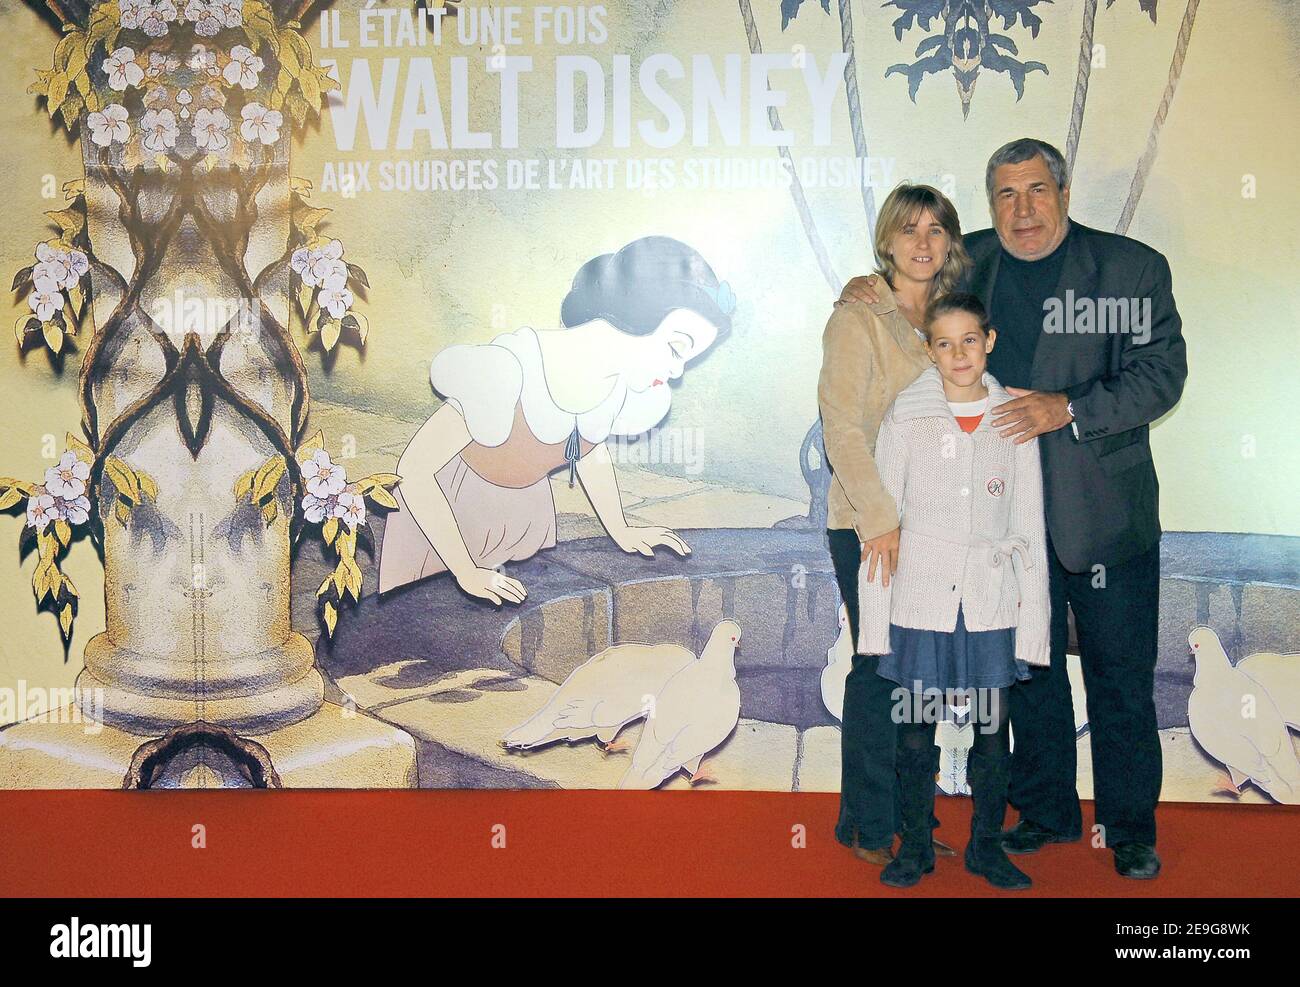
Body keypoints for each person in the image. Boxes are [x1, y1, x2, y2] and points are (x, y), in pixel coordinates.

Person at [837, 138, 1187, 879]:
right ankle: (1048, 810)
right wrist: (862, 285)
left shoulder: (1132, 269)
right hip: (996, 524)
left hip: (1104, 514)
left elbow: (1163, 374)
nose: (1021, 209)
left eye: (1035, 190)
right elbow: (912, 290)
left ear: (1063, 191)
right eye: (1005, 194)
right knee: (1031, 675)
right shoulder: (974, 263)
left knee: (1120, 677)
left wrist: (1073, 409)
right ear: (990, 202)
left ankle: (1129, 829)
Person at [379, 236, 733, 605]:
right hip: (447, 517)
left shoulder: (618, 388)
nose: (677, 372)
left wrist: (621, 529)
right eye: (676, 349)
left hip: (524, 517)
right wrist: (464, 570)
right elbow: (414, 472)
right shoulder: (508, 367)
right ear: (633, 315)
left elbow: (589, 451)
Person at [858, 293, 1050, 889]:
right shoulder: (906, 418)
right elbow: (882, 519)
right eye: (944, 342)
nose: (958, 352)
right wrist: (875, 617)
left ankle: (986, 846)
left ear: (989, 342)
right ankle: (915, 844)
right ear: (929, 350)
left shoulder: (1013, 421)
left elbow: (1029, 525)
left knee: (993, 731)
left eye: (970, 340)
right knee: (916, 729)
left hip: (991, 602)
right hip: (921, 601)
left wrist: (1033, 620)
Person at [817, 183, 971, 866]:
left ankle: (910, 815)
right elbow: (841, 428)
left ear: (951, 244)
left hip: (936, 524)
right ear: (886, 241)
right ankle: (872, 824)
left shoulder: (955, 312)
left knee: (921, 674)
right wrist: (879, 521)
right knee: (880, 669)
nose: (922, 242)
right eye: (909, 229)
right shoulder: (857, 317)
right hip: (867, 521)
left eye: (936, 230)